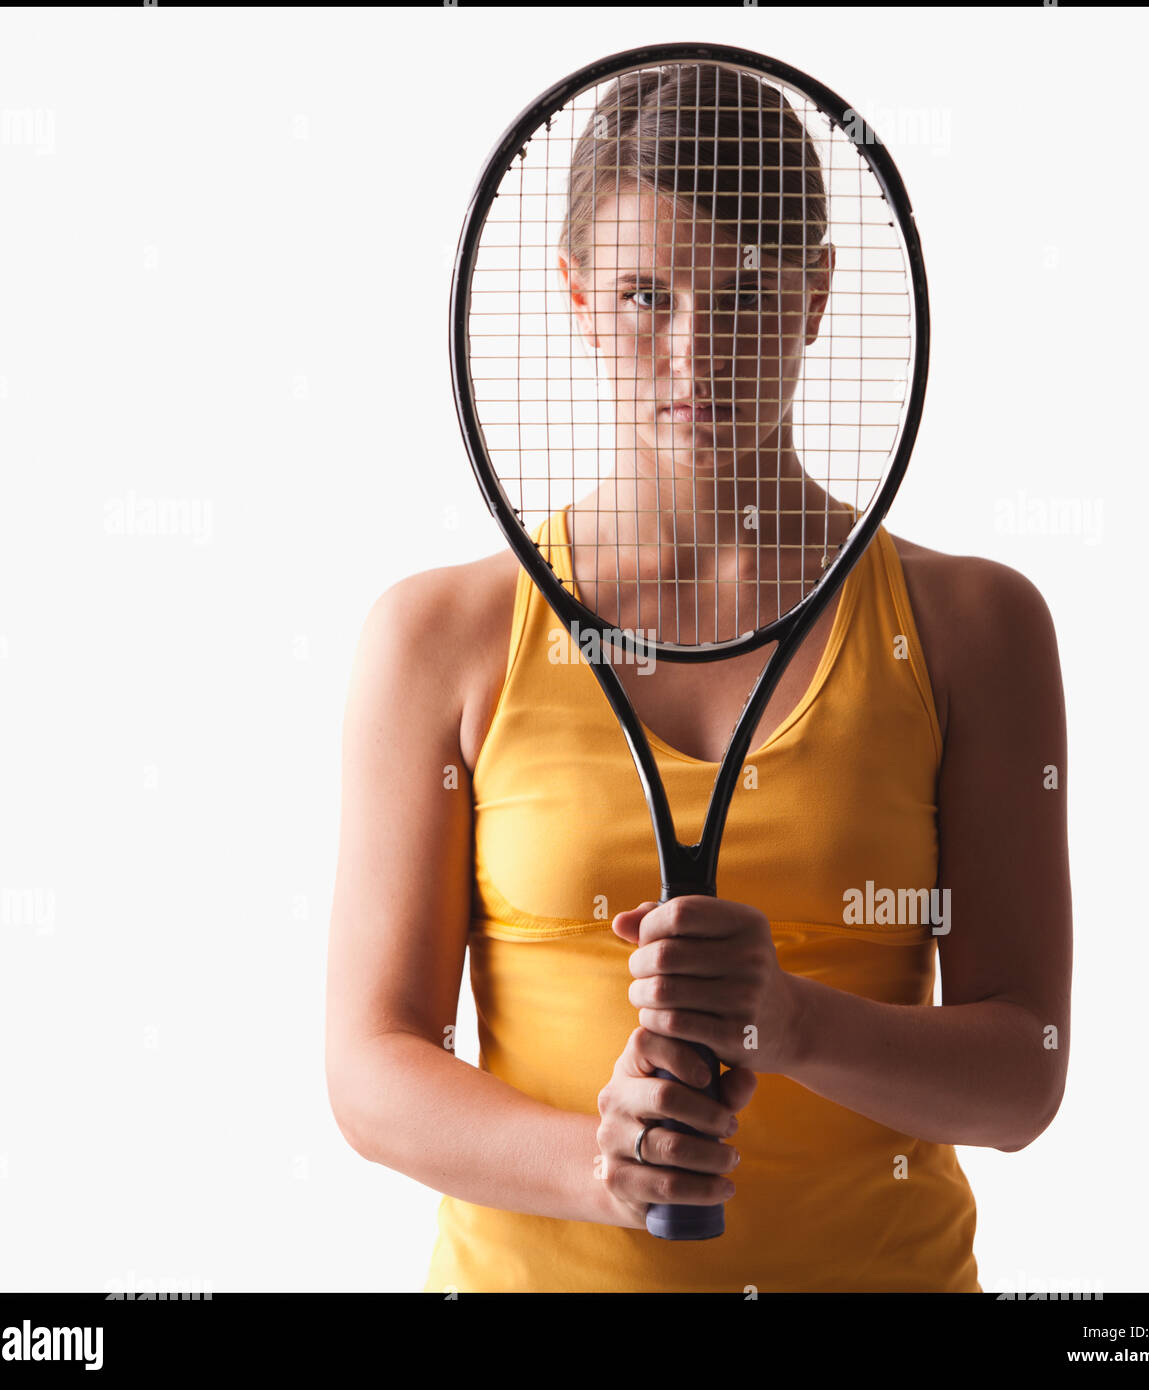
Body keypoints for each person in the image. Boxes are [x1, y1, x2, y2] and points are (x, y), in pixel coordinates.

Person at [325, 63, 1071, 1293]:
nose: (696, 350)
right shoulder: (439, 636)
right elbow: (369, 1061)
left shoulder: (970, 627)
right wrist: (595, 1167)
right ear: (574, 297)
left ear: (820, 292)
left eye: (747, 292)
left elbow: (1022, 1076)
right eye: (645, 294)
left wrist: (797, 1024)